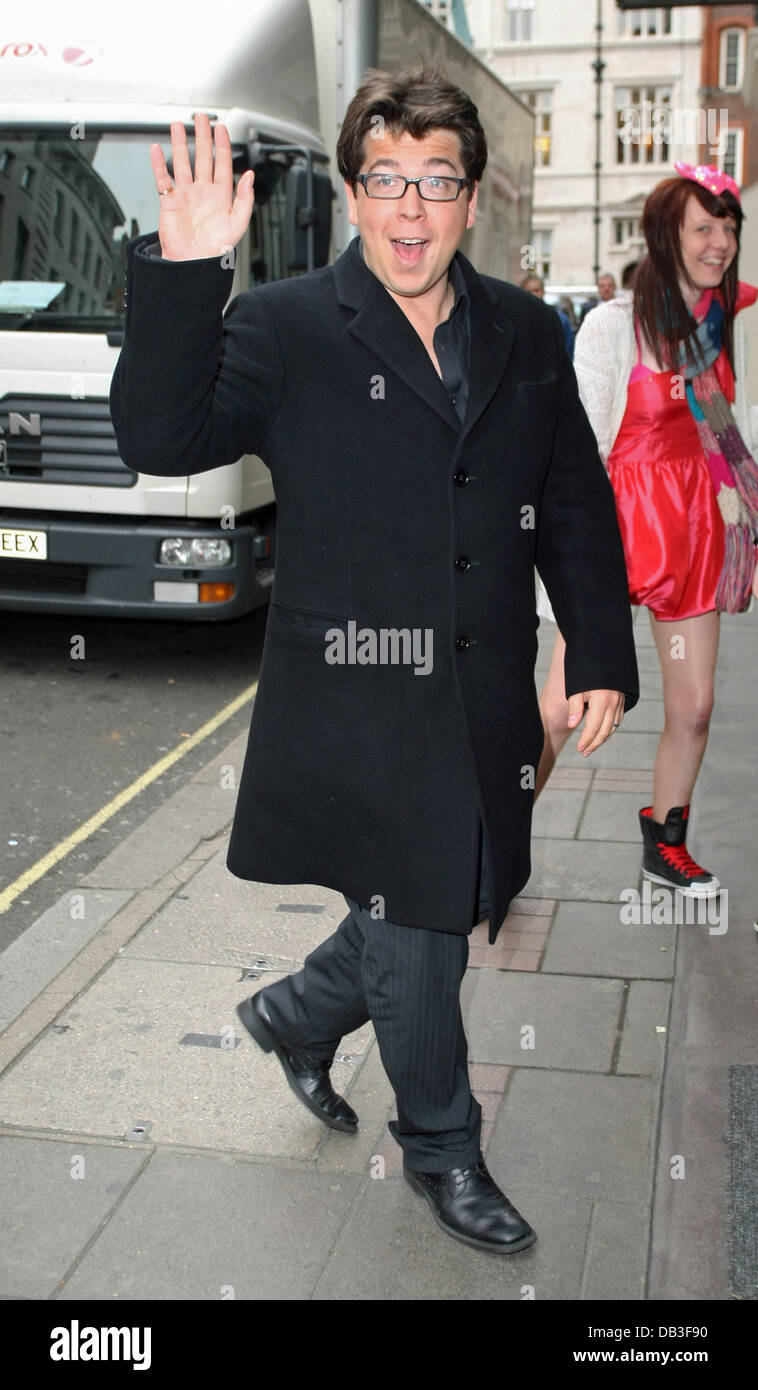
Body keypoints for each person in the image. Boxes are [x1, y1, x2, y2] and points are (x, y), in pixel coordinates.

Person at [109, 67, 639, 1256]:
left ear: (469, 197)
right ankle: (442, 1148)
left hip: (487, 693)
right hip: (355, 705)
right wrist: (188, 275)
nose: (409, 210)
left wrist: (594, 646)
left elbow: (567, 495)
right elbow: (157, 435)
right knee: (420, 925)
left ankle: (294, 1018)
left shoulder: (521, 327)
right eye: (385, 181)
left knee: (435, 907)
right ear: (353, 193)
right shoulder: (288, 324)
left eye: (434, 183)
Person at [535, 163, 758, 891]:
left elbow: (723, 438)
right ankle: (491, 843)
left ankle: (665, 841)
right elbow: (583, 446)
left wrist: (740, 521)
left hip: (692, 531)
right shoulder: (613, 325)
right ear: (668, 236)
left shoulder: (718, 328)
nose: (721, 242)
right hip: (617, 534)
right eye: (705, 227)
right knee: (564, 709)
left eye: (729, 228)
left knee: (694, 707)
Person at [520, 272, 574, 358]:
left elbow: (568, 350)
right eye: (529, 291)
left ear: (543, 291)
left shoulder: (560, 318)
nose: (533, 294)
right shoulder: (518, 319)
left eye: (536, 290)